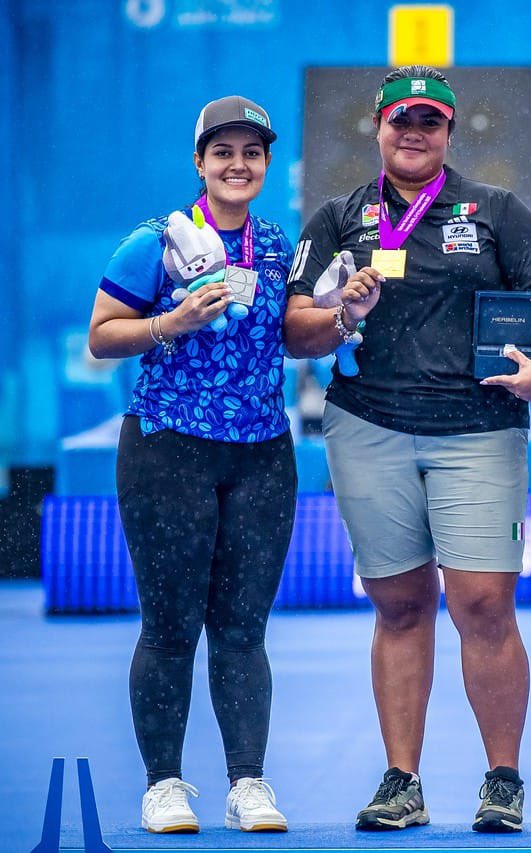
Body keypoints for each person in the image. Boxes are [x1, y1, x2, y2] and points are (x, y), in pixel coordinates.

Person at [283, 65, 531, 833]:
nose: (413, 133)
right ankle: (402, 782)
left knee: (484, 604)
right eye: (401, 120)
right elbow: (293, 331)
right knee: (401, 604)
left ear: (448, 131)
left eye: (429, 121)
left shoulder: (498, 211)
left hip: (479, 430)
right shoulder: (336, 218)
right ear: (378, 127)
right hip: (367, 428)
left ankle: (503, 779)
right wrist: (342, 314)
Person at [88, 96, 296, 834]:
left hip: (263, 454)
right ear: (200, 162)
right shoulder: (154, 241)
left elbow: (290, 334)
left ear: (266, 164)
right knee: (171, 627)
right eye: (223, 153)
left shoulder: (277, 244)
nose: (238, 165)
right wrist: (169, 323)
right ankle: (163, 785)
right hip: (167, 449)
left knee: (242, 630)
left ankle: (249, 783)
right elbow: (101, 335)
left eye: (252, 153)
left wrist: (343, 310)